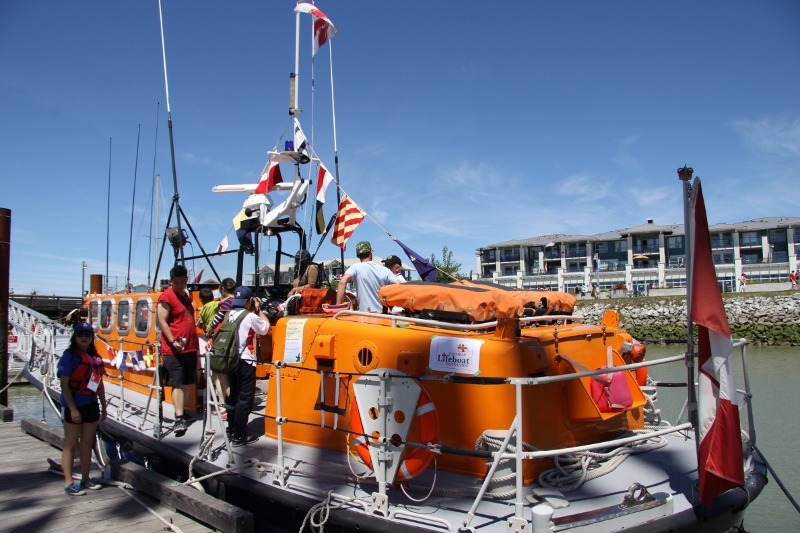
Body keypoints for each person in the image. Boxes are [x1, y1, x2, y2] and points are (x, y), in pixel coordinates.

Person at [57, 322, 107, 495]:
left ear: (92, 337)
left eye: (87, 334)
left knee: (88, 443)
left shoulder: (95, 358)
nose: (84, 338)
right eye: (80, 335)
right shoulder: (69, 357)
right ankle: (69, 482)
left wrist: (103, 406)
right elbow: (64, 386)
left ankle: (86, 479)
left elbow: (99, 383)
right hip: (74, 405)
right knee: (70, 444)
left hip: (91, 404)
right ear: (75, 337)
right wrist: (73, 409)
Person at [157, 264, 200, 435]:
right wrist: (172, 340)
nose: (179, 285)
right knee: (177, 383)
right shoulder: (166, 297)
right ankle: (178, 416)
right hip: (174, 348)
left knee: (187, 382)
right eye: (176, 282)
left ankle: (182, 412)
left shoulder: (186, 295)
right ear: (171, 281)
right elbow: (163, 321)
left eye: (182, 282)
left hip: (189, 346)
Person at [224, 286, 270, 446]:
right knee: (245, 397)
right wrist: (259, 310)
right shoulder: (250, 317)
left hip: (230, 359)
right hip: (245, 360)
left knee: (233, 395)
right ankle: (240, 434)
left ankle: (231, 428)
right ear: (250, 300)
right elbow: (265, 328)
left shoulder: (228, 315)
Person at [335, 241, 400, 312]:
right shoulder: (385, 270)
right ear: (370, 252)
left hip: (365, 316)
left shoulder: (355, 268)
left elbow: (342, 282)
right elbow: (400, 286)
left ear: (357, 255)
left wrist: (338, 308)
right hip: (382, 315)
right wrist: (390, 307)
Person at [207, 278, 237, 418]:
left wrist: (209, 331)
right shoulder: (240, 301)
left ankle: (225, 406)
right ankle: (231, 406)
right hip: (235, 344)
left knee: (219, 376)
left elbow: (216, 320)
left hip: (222, 343)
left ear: (223, 290)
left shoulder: (225, 304)